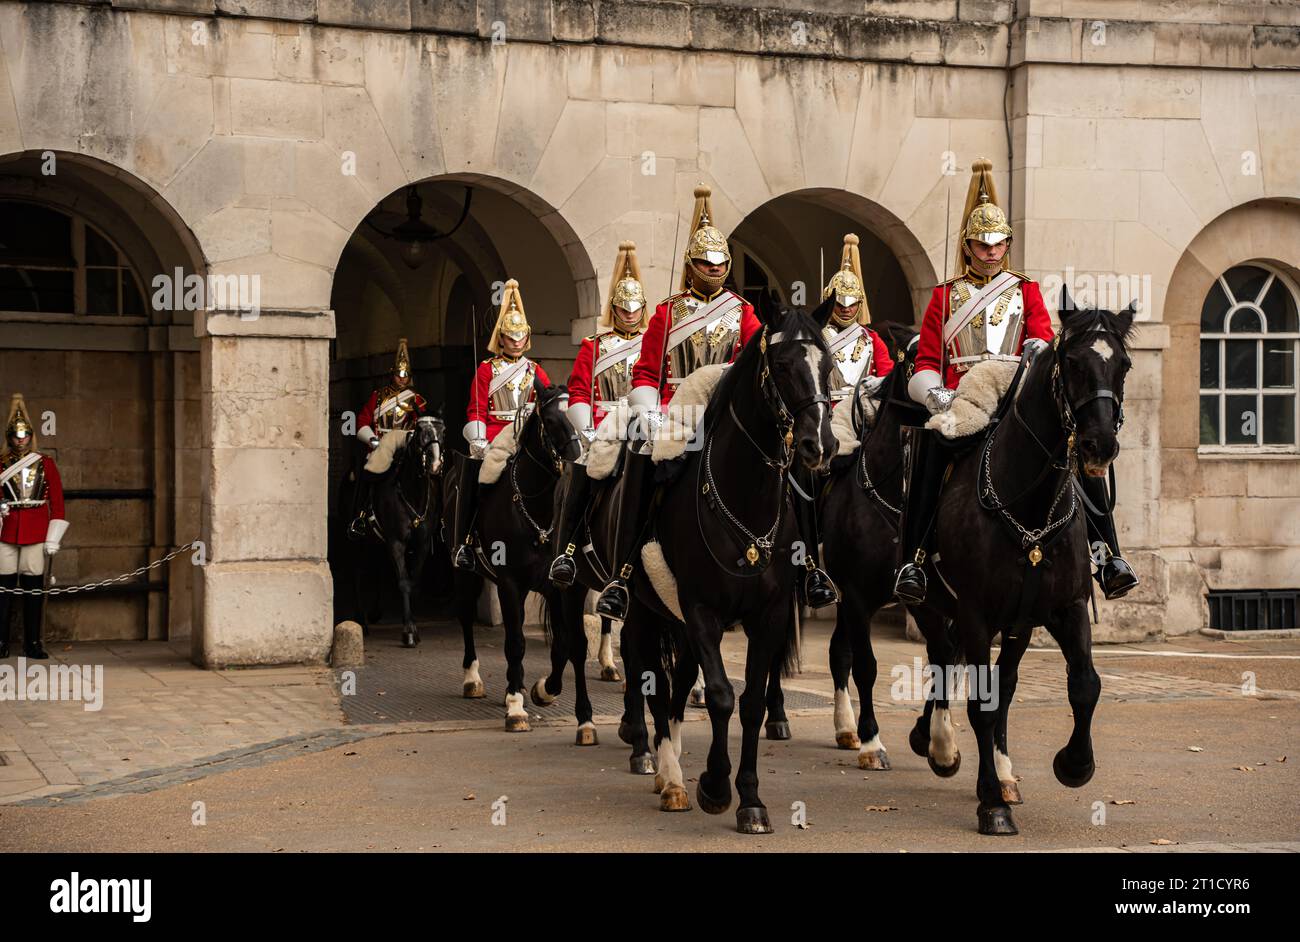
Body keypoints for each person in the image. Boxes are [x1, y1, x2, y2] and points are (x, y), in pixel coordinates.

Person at [892, 158, 1138, 605]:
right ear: (968, 247)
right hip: (963, 399)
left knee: (1080, 447)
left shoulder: (1024, 291)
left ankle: (1107, 557)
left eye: (999, 244)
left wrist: (1036, 353)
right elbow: (926, 358)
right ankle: (915, 559)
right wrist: (937, 394)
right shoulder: (945, 296)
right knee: (930, 451)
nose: (991, 252)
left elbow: (1044, 340)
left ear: (1007, 245)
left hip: (1017, 390)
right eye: (982, 245)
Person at [593, 185, 762, 619]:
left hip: (725, 413)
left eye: (721, 261)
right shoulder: (666, 313)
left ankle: (806, 567)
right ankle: (622, 571)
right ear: (691, 264)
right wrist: (648, 411)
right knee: (633, 457)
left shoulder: (743, 312)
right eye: (706, 261)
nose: (714, 267)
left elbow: (754, 366)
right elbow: (646, 373)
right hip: (675, 412)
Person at [548, 240, 648, 588]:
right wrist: (586, 430)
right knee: (583, 473)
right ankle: (568, 550)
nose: (631, 314)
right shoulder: (594, 346)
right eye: (624, 309)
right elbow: (578, 392)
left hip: (644, 424)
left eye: (636, 308)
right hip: (604, 428)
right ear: (614, 309)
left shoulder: (654, 341)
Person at [450, 279, 551, 570]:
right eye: (511, 335)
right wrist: (479, 439)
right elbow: (476, 409)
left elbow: (545, 407)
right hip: (495, 437)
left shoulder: (536, 370)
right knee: (473, 475)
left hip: (527, 437)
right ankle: (466, 540)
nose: (517, 341)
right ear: (501, 338)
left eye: (521, 335)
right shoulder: (486, 371)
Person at [0, 394, 67, 659]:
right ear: (9, 435)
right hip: (6, 531)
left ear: (30, 434)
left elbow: (58, 504)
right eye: (16, 435)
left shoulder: (45, 463)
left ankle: (33, 643)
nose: (20, 439)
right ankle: (1, 642)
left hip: (37, 532)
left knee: (33, 591)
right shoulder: (0, 463)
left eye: (24, 434)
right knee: (2, 591)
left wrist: (53, 538)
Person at [348, 338, 427, 539]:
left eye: (406, 374)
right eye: (399, 374)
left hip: (406, 447)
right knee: (365, 476)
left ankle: (435, 520)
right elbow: (363, 420)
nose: (402, 378)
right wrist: (372, 440)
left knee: (427, 476)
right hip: (380, 446)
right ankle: (361, 516)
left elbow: (422, 424)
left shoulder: (416, 399)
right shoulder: (379, 396)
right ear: (392, 374)